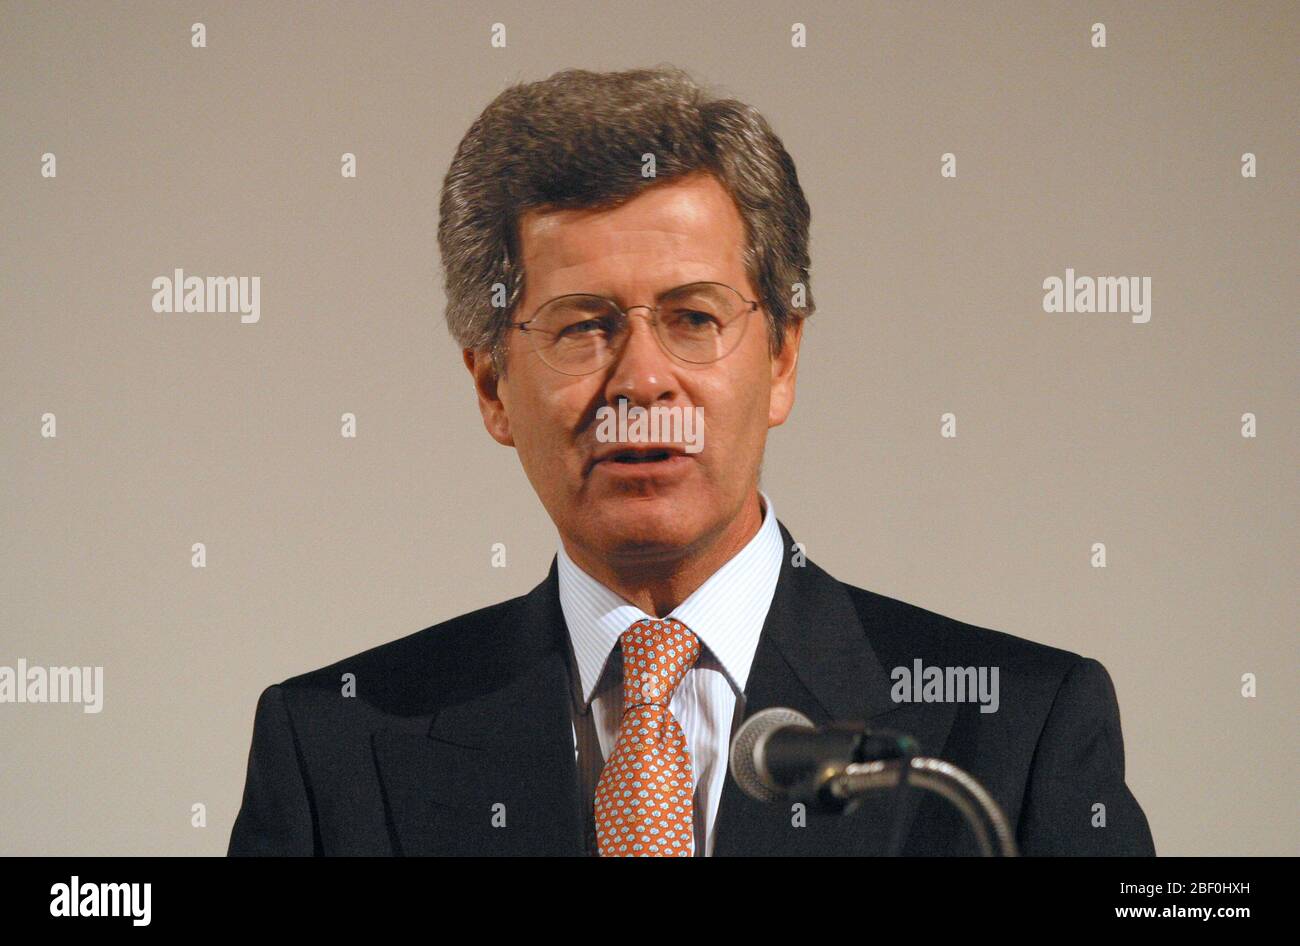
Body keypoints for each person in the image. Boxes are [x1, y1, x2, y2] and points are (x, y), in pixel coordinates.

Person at [228, 66, 1155, 856]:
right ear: (490, 386)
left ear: (782, 358)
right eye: (582, 325)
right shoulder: (335, 748)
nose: (640, 381)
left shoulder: (1005, 739)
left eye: (694, 319)